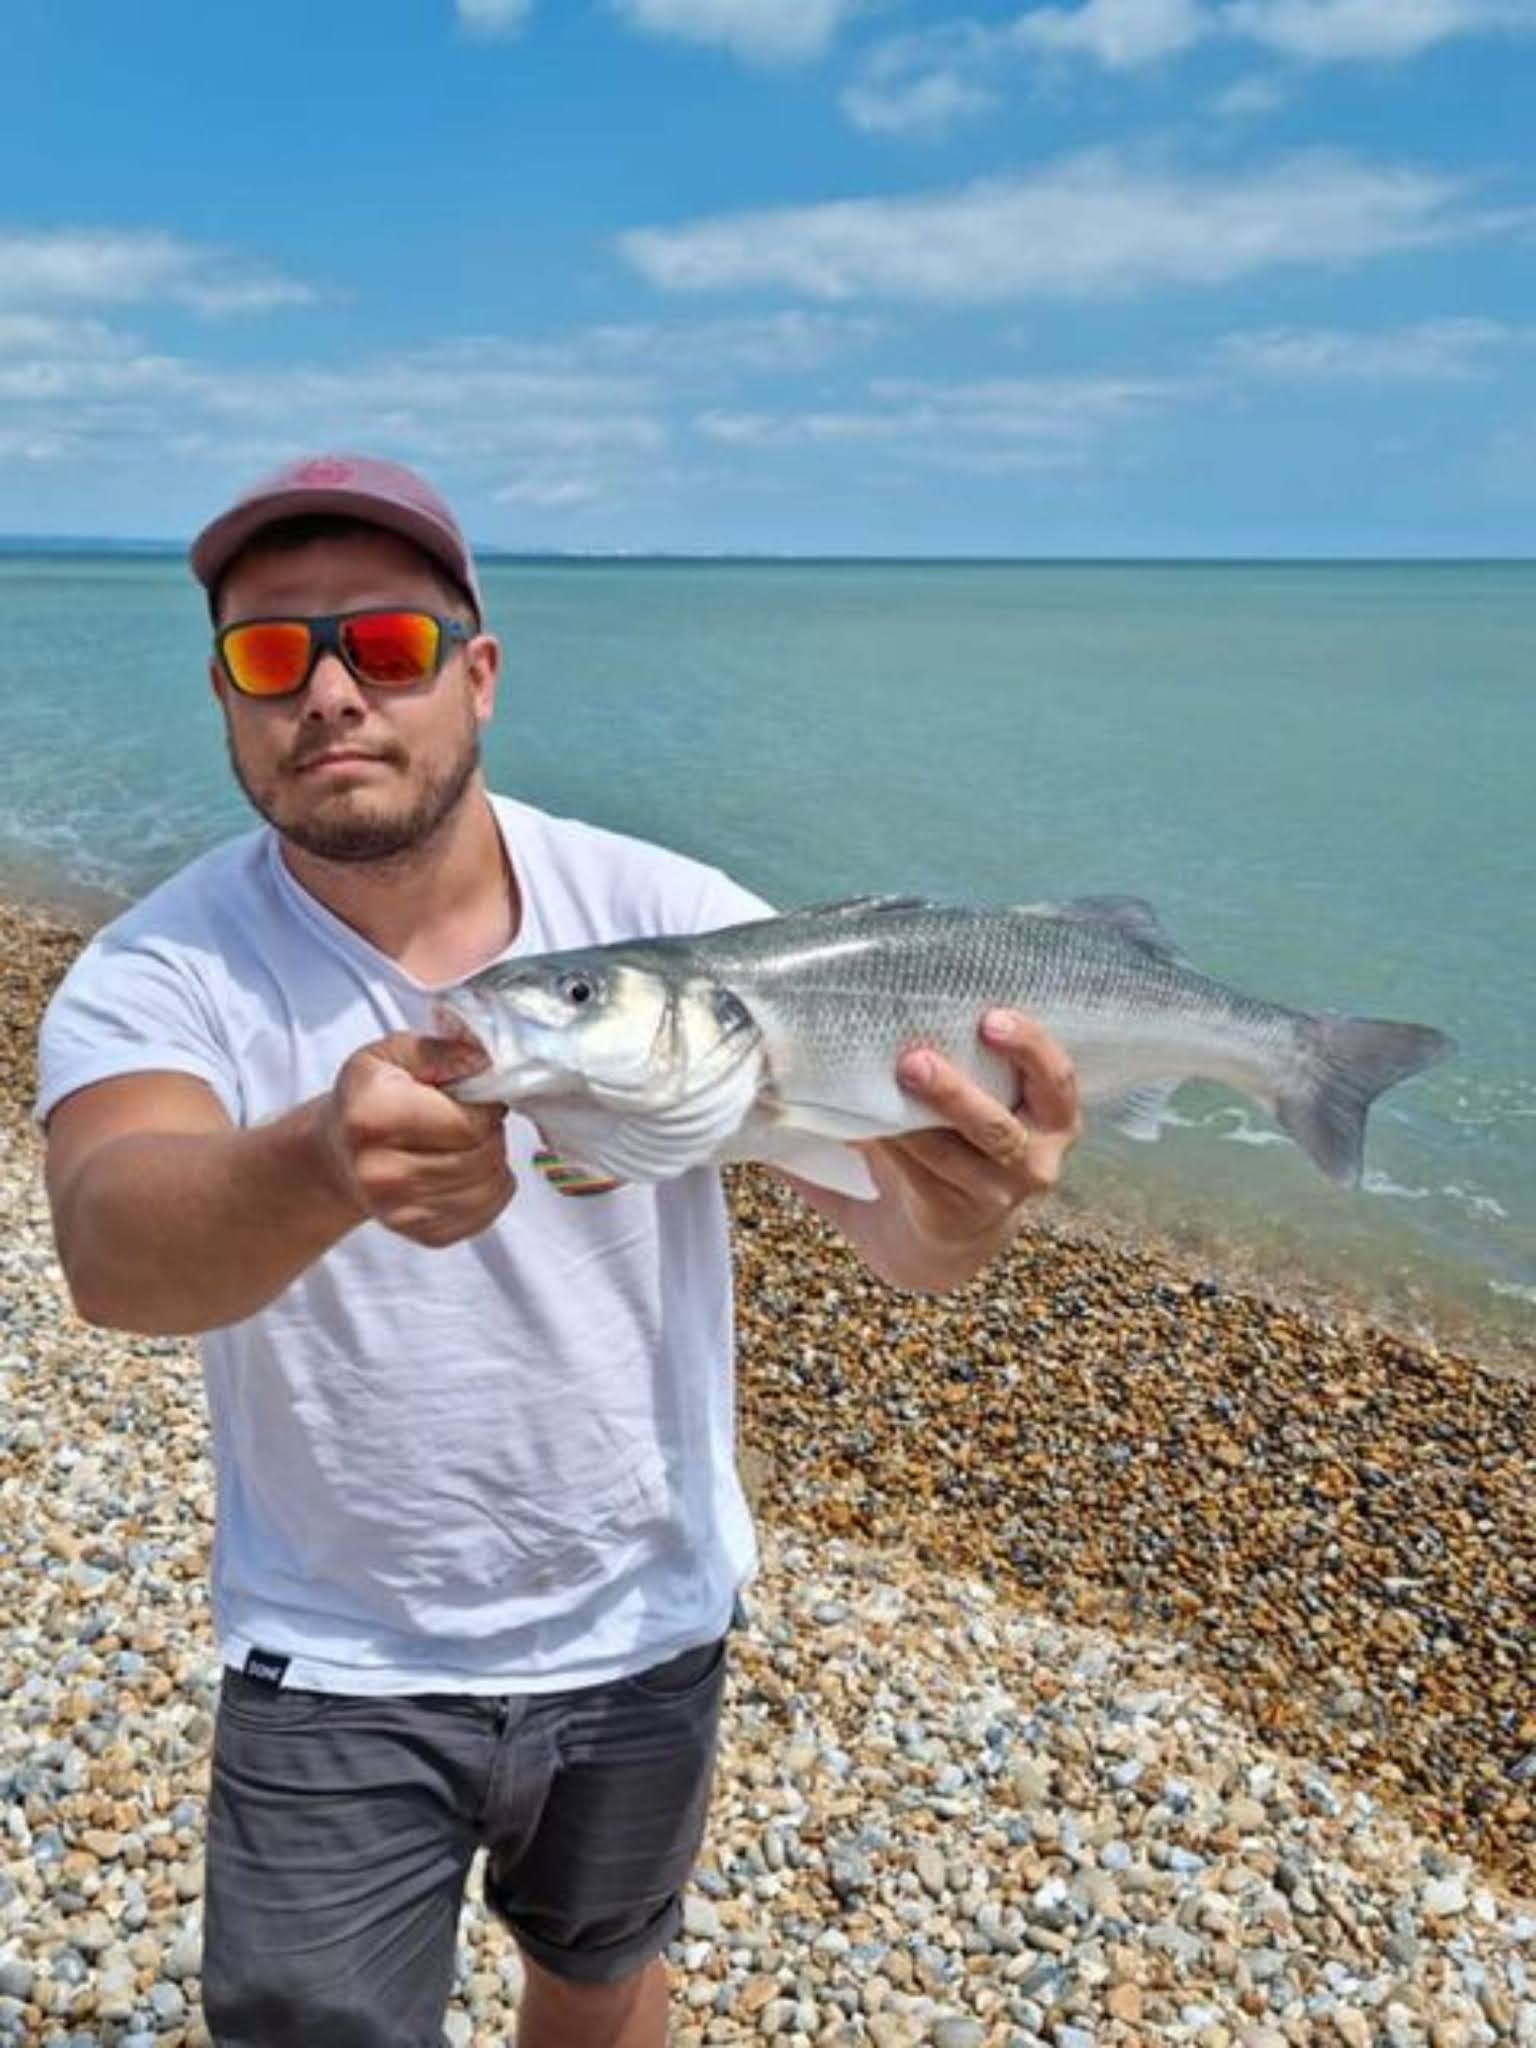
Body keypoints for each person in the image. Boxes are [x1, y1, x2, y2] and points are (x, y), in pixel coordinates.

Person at [36, 452, 1081, 2048]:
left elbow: (899, 1236)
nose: (329, 695)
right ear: (227, 698)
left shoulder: (667, 915)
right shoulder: (159, 968)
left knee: (601, 1983)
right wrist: (323, 1160)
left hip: (646, 1615)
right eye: (272, 656)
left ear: (480, 674)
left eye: (382, 647)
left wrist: (961, 1206)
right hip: (336, 1649)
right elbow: (115, 1251)